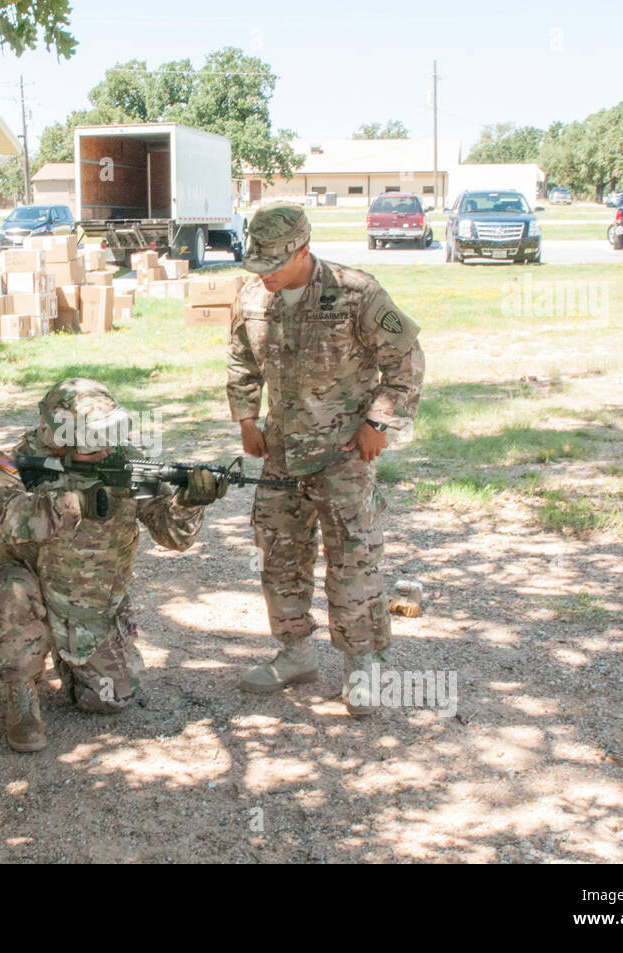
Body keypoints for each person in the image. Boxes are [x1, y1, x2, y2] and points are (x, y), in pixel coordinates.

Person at [227, 202, 424, 714]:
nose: (265, 275)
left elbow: (405, 363)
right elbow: (241, 359)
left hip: (344, 456)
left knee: (353, 559)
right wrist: (247, 418)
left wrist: (378, 423)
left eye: (274, 265)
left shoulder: (356, 293)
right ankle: (294, 653)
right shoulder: (250, 296)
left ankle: (362, 665)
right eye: (258, 264)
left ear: (303, 251)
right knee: (279, 556)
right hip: (280, 456)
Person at [0, 378, 226, 752]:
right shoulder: (18, 461)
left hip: (91, 609)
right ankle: (21, 692)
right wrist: (74, 505)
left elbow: (173, 536)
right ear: (58, 438)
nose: (107, 450)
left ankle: (68, 660)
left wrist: (190, 503)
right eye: (94, 442)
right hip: (34, 596)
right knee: (9, 588)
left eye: (110, 438)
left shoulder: (126, 462)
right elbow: (1, 517)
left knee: (111, 699)